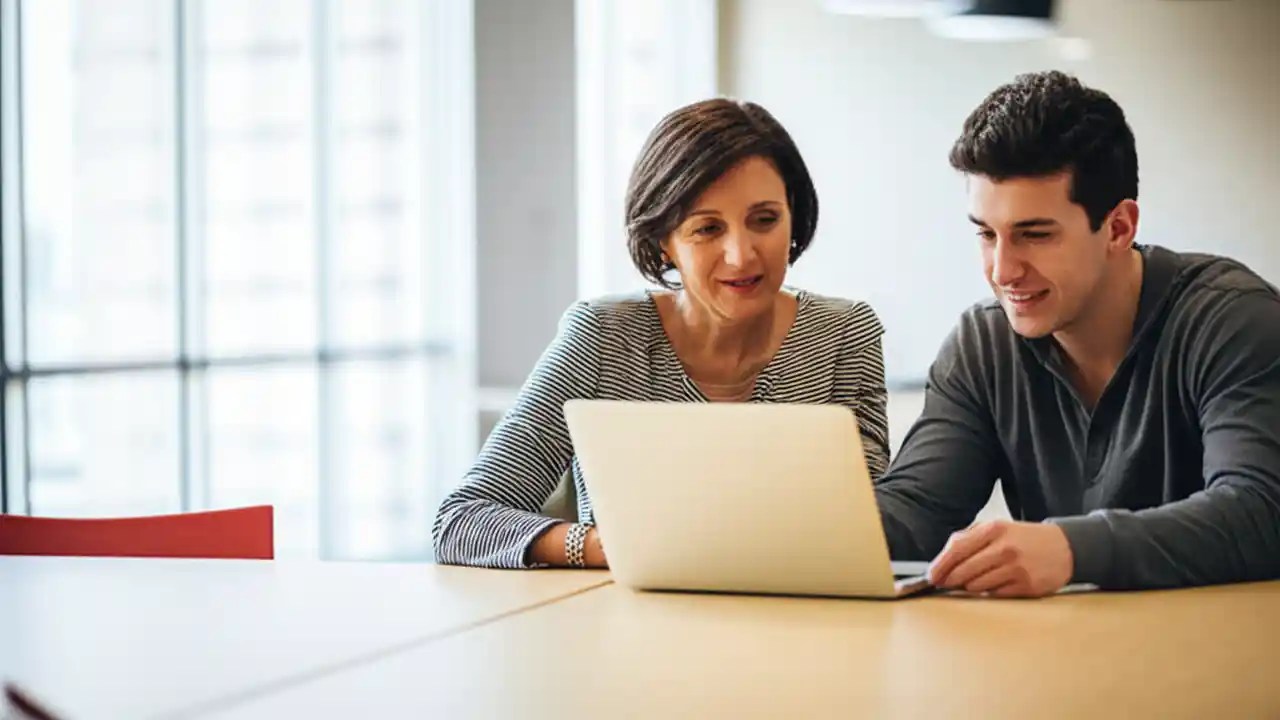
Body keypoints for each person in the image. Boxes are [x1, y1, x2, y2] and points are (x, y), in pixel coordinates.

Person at [434, 99, 892, 569]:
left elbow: (879, 526)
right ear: (663, 242)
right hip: (632, 629)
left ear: (793, 217)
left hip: (808, 626)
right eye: (707, 229)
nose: (741, 255)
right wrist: (603, 546)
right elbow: (460, 523)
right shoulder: (602, 336)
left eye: (765, 220)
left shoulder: (844, 334)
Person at [875, 70, 1280, 596]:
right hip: (1062, 656)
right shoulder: (984, 345)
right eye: (986, 234)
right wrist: (790, 532)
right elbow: (916, 510)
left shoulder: (1232, 321)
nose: (1002, 270)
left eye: (1034, 235)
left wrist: (1070, 550)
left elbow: (1261, 512)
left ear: (1119, 228)